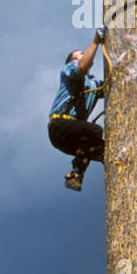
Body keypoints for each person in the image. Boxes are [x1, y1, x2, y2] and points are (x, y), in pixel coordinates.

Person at [48, 27, 108, 191]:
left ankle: (76, 175)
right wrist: (95, 42)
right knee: (95, 131)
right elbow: (81, 68)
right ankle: (78, 171)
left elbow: (109, 88)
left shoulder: (93, 84)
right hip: (60, 125)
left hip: (72, 137)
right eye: (79, 54)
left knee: (103, 148)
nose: (83, 55)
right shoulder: (69, 69)